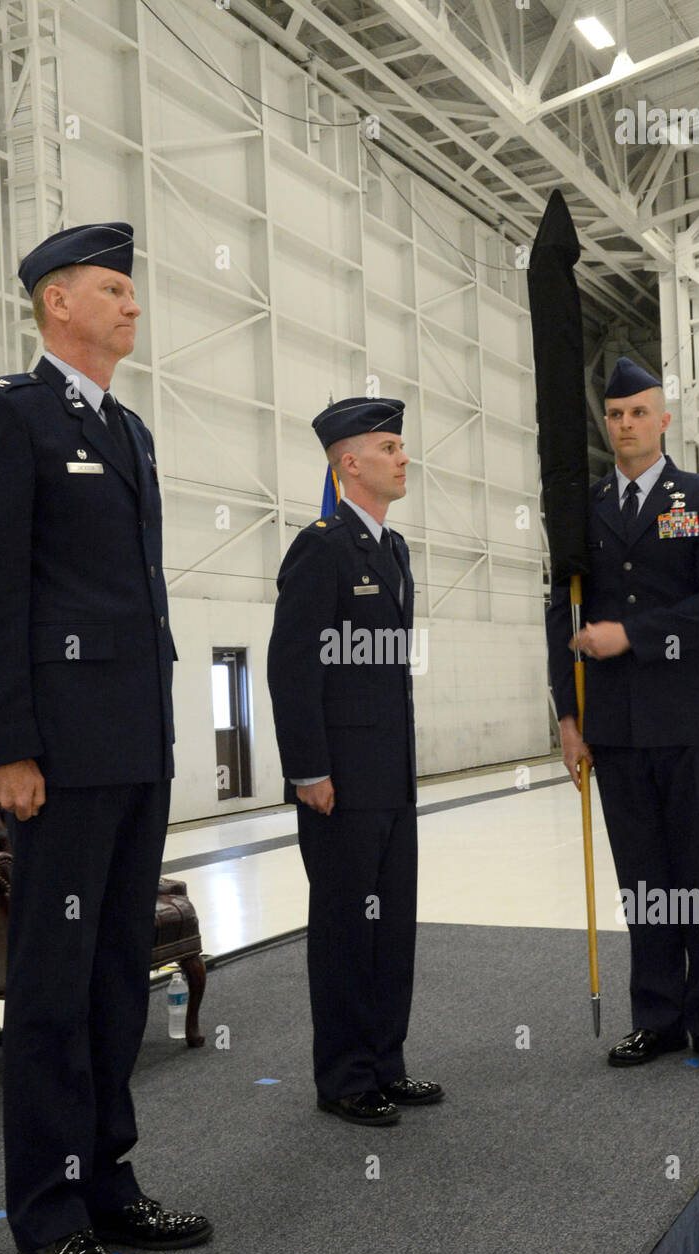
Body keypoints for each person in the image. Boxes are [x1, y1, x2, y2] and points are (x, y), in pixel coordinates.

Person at [0, 222, 210, 1254]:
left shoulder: (133, 431)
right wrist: (5, 745)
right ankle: (47, 1212)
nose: (132, 304)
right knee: (54, 991)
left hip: (134, 746)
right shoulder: (7, 417)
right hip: (55, 759)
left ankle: (107, 1179)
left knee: (115, 979)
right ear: (58, 302)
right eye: (114, 288)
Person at [546, 357, 699, 1073]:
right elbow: (560, 613)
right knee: (644, 878)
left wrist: (631, 634)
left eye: (639, 412)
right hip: (617, 726)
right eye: (615, 414)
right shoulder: (585, 507)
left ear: (665, 420)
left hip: (693, 721)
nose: (626, 424)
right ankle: (658, 1016)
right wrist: (569, 720)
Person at [267, 396, 442, 1125]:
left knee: (391, 926)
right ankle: (343, 1076)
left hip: (390, 778)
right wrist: (309, 769)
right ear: (349, 463)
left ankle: (385, 1062)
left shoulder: (392, 550)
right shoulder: (322, 546)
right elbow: (291, 667)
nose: (405, 458)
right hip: (339, 780)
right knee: (345, 932)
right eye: (390, 446)